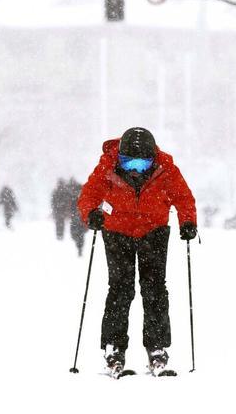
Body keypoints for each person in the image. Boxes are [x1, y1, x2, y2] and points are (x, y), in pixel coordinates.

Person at [77, 126, 197, 376]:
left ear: (152, 160)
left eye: (142, 165)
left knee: (154, 289)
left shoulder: (166, 168)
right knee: (120, 288)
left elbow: (184, 198)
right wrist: (92, 215)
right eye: (129, 162)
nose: (135, 169)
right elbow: (88, 195)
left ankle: (157, 346)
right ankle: (114, 346)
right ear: (119, 158)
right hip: (117, 231)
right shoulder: (107, 166)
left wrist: (187, 222)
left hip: (153, 232)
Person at [67, 177, 88, 255]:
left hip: (79, 215)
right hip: (77, 215)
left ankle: (79, 247)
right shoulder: (74, 194)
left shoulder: (75, 193)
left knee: (79, 233)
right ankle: (79, 246)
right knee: (78, 233)